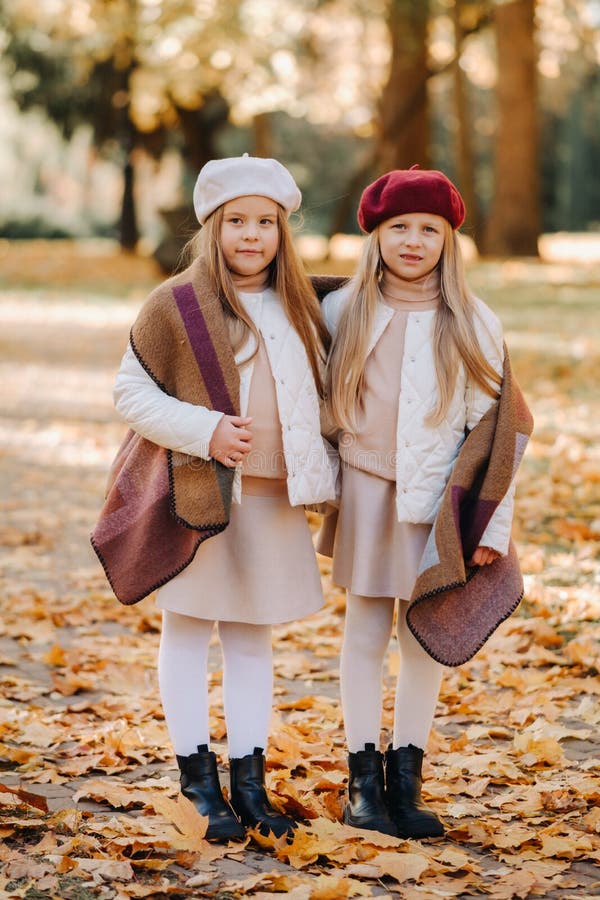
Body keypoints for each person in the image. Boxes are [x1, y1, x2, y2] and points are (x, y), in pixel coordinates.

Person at [111, 155, 338, 842]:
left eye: (265, 222)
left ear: (283, 231)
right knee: (187, 629)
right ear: (212, 228)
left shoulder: (306, 304)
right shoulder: (175, 305)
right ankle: (197, 782)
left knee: (250, 636)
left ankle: (249, 782)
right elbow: (130, 393)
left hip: (271, 497)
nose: (251, 235)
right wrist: (204, 429)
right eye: (236, 221)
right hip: (201, 495)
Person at [320, 167, 517, 839]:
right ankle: (361, 782)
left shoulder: (472, 320)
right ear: (374, 236)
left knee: (424, 637)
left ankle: (407, 777)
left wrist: (494, 521)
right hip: (367, 492)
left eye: (427, 230)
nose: (411, 241)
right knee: (365, 632)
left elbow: (499, 431)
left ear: (448, 239)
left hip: (436, 501)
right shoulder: (342, 311)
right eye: (397, 228)